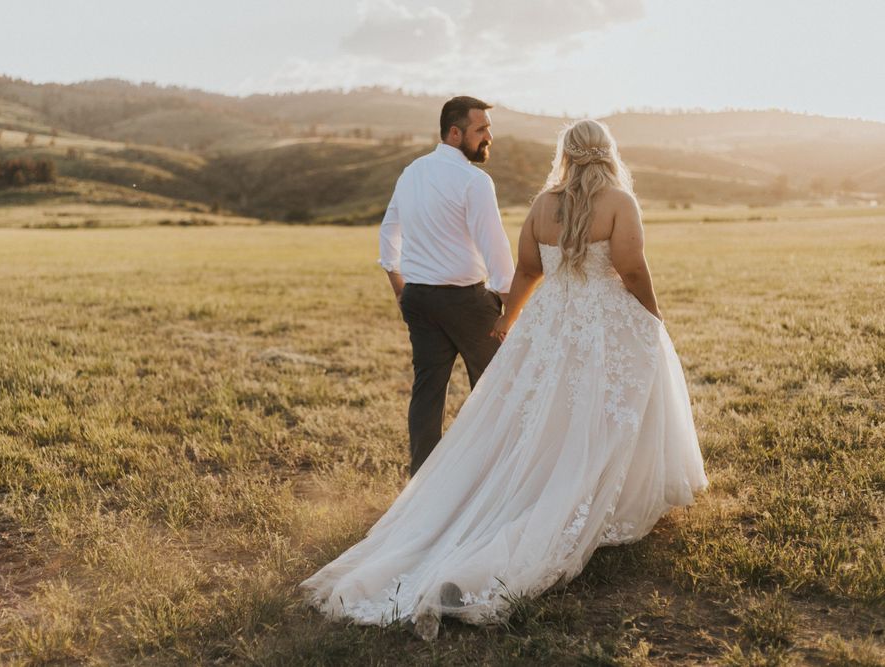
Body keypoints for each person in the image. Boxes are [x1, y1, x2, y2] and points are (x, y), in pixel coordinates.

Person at [300, 118, 709, 640]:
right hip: (602, 322)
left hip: (552, 324)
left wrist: (509, 319)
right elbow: (630, 268)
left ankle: (545, 482)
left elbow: (528, 269)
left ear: (565, 153)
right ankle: (587, 495)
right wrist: (652, 315)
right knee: (615, 406)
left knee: (546, 412)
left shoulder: (543, 205)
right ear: (607, 152)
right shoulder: (619, 202)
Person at [378, 95, 515, 476]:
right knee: (494, 390)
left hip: (418, 297)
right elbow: (496, 247)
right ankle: (493, 476)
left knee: (427, 393)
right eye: (481, 129)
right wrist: (510, 306)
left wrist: (398, 283)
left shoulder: (412, 172)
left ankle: (422, 482)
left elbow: (390, 229)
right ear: (454, 133)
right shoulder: (474, 181)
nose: (489, 136)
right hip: (466, 302)